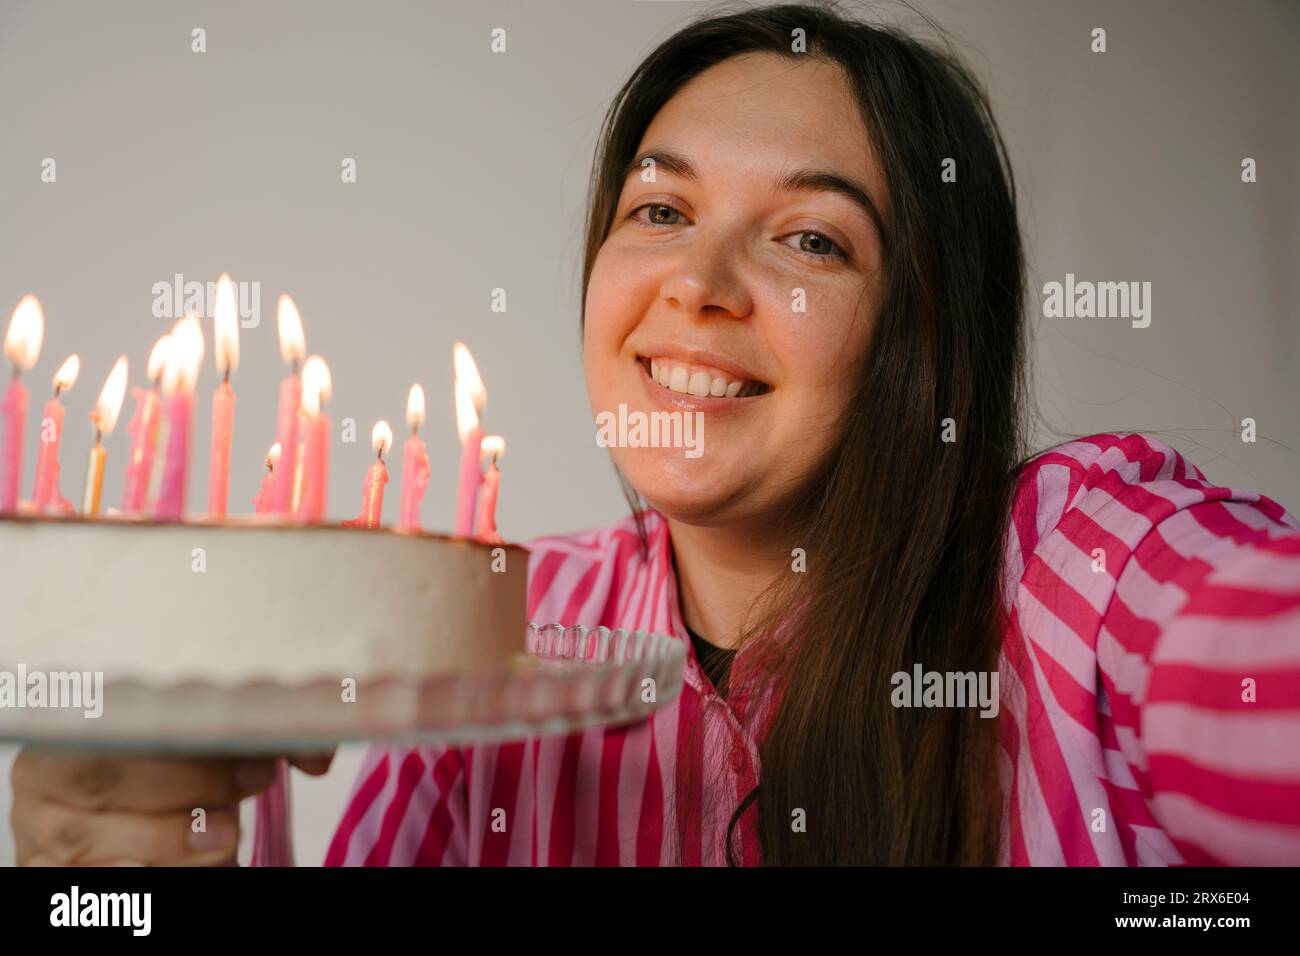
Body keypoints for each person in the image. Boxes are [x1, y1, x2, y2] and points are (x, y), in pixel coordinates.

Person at [11, 3, 1300, 867]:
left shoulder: (1083, 575)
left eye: (811, 238)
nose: (699, 286)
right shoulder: (500, 630)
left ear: (924, 331)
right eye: (661, 210)